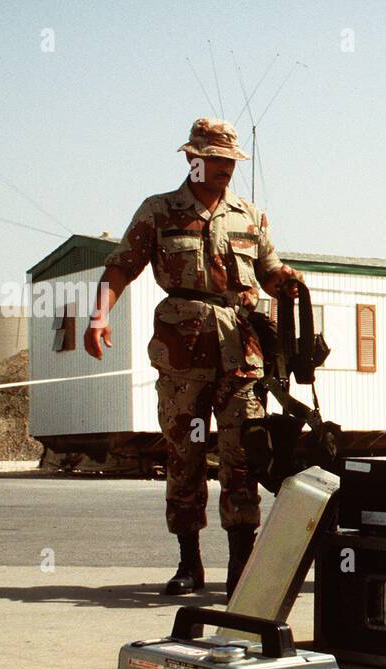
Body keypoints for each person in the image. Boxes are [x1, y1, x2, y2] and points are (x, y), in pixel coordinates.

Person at [84, 117, 304, 598]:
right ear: (193, 159)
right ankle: (189, 563)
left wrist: (287, 280)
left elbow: (267, 270)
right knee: (184, 454)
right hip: (183, 350)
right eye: (216, 161)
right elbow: (122, 265)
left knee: (242, 456)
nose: (225, 170)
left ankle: (241, 568)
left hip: (242, 351)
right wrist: (100, 315)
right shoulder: (159, 211)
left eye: (230, 162)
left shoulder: (249, 216)